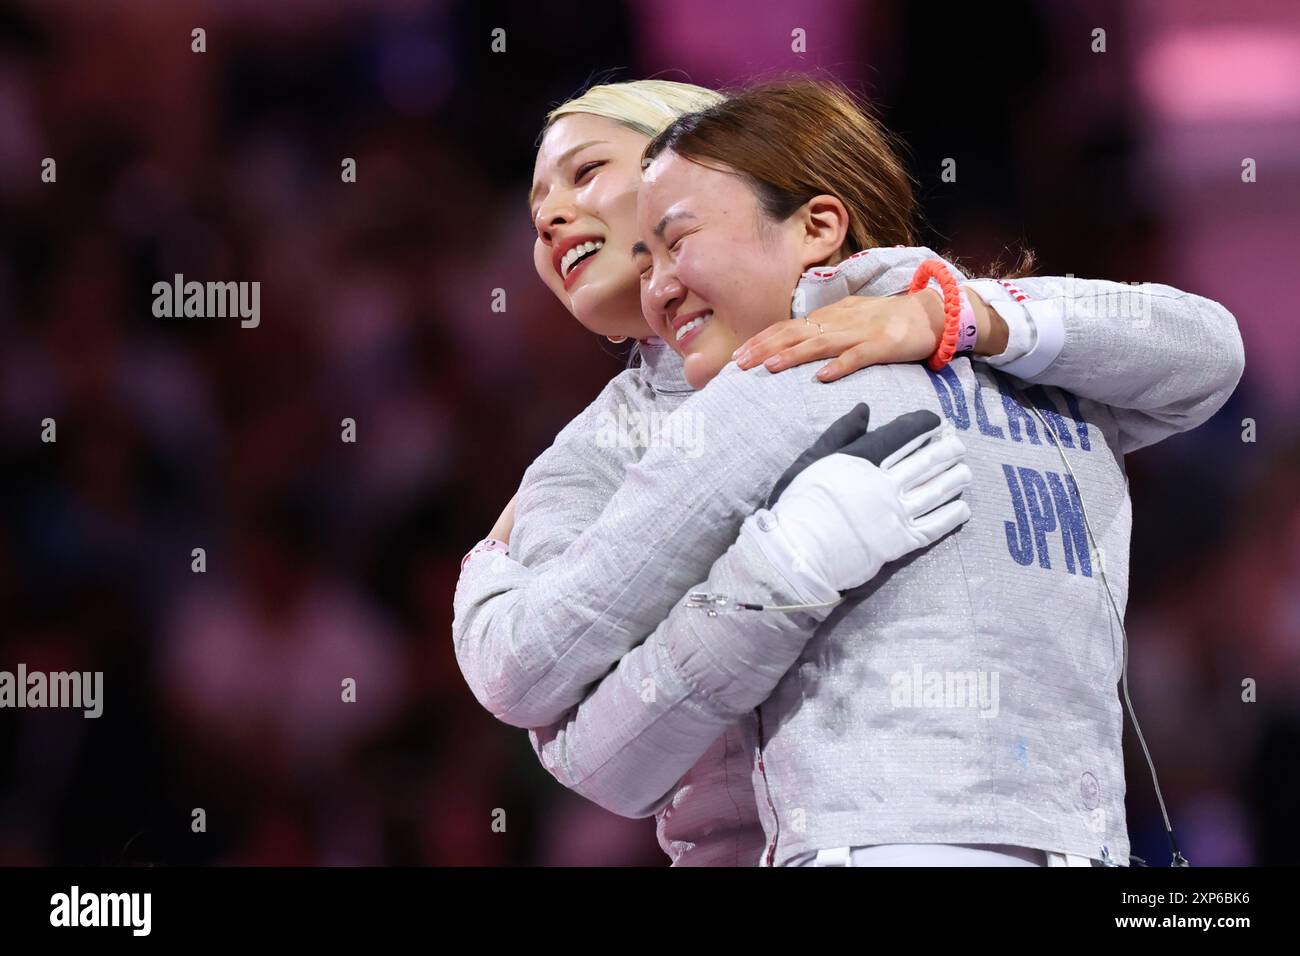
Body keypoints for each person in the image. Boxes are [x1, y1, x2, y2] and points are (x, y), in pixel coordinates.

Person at [453, 78, 1242, 865]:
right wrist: (780, 575)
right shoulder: (602, 447)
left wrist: (947, 315)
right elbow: (553, 709)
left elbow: (1208, 352)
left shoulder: (825, 360)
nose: (551, 213)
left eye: (588, 172)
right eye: (535, 206)